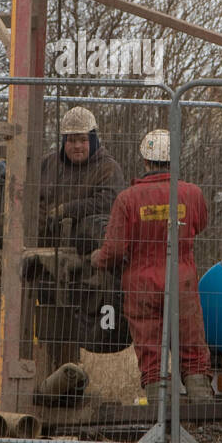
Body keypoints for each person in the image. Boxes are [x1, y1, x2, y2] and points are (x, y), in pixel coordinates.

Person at [90, 128, 213, 402]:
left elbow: (114, 250)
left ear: (145, 161)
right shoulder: (192, 194)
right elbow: (200, 224)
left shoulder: (128, 199)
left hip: (141, 283)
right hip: (182, 280)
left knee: (150, 346)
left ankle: (159, 411)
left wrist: (97, 258)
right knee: (191, 341)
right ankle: (202, 403)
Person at [36, 106, 125, 251]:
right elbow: (27, 186)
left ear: (93, 140)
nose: (77, 146)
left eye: (83, 140)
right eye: (71, 140)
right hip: (43, 237)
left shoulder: (108, 168)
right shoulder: (49, 162)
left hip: (85, 245)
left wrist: (68, 209)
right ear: (64, 141)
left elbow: (109, 202)